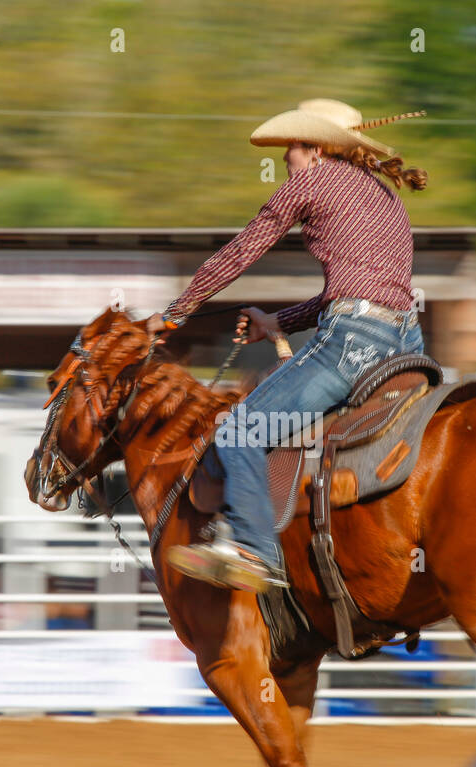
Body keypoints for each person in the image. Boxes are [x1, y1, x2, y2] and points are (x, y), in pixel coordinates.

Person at [145, 98, 428, 593]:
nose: (285, 159)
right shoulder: (383, 195)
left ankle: (255, 552)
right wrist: (279, 321)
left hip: (354, 342)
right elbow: (353, 289)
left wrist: (174, 313)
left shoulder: (311, 181)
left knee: (241, 431)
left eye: (291, 148)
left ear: (315, 149)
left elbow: (242, 250)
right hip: (405, 343)